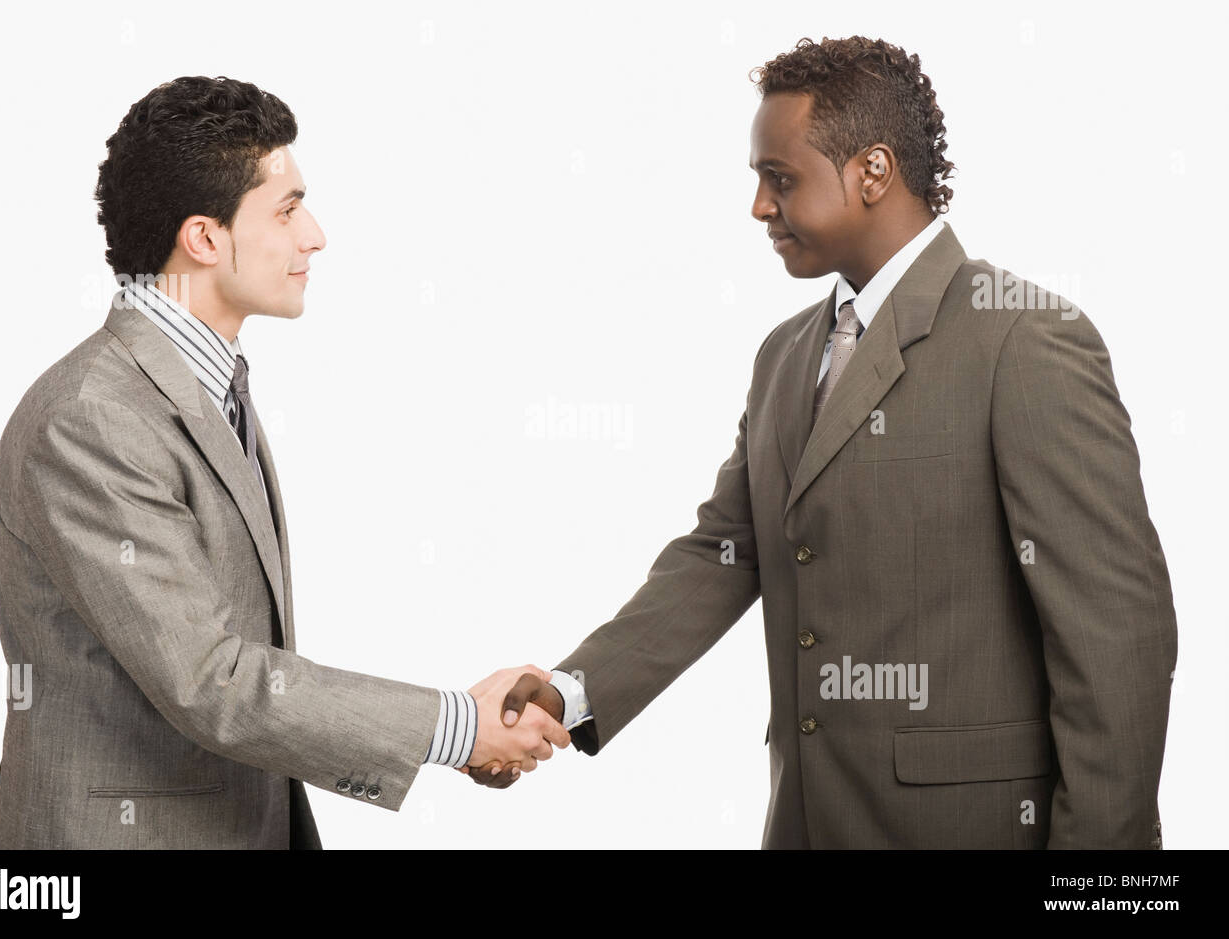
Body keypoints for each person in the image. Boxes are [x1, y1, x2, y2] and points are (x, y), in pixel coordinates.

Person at [471, 36, 1178, 850]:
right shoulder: (785, 353)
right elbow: (721, 553)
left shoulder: (1024, 338)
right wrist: (569, 692)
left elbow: (1120, 634)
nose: (759, 208)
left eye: (781, 179)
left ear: (872, 172)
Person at [0, 76, 567, 849]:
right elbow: (211, 679)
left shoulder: (208, 381)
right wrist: (454, 724)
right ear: (205, 238)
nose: (314, 234)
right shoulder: (93, 418)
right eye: (287, 210)